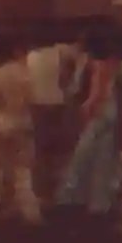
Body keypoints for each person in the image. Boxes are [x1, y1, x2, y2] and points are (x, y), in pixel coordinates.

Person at [57, 31, 120, 219]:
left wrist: (86, 107)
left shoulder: (97, 66)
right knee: (103, 158)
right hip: (110, 111)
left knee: (82, 155)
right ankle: (99, 201)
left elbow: (97, 92)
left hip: (100, 113)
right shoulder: (110, 63)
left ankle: (70, 196)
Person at [0, 35, 41, 224]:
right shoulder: (26, 73)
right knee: (23, 172)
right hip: (23, 123)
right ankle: (30, 214)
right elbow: (34, 100)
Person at [26, 32, 71, 196]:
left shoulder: (30, 57)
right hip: (57, 100)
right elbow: (64, 78)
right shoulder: (58, 53)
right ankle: (57, 182)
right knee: (58, 145)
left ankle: (41, 184)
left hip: (37, 102)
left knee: (40, 145)